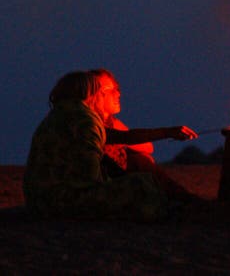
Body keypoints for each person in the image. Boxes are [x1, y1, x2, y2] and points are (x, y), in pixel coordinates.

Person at [23, 71, 197, 221]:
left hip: (36, 199)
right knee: (141, 184)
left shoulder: (54, 118)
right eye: (103, 91)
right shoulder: (86, 121)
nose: (116, 94)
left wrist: (167, 132)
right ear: (90, 94)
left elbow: (122, 137)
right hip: (61, 201)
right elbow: (87, 176)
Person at [87, 68, 196, 198]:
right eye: (109, 90)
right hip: (101, 184)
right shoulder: (89, 123)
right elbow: (126, 137)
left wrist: (128, 148)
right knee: (140, 163)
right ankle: (184, 200)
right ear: (92, 95)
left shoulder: (112, 122)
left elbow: (145, 146)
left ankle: (182, 198)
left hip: (117, 177)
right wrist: (168, 132)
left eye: (116, 88)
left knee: (140, 159)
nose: (117, 94)